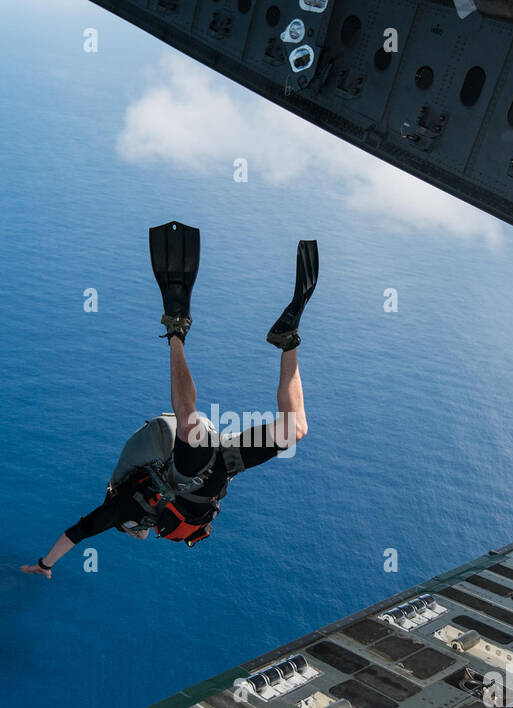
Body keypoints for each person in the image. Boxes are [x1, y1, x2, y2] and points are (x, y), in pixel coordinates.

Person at [21, 222, 318, 578]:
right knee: (295, 428)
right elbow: (78, 534)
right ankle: (288, 339)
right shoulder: (139, 511)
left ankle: (176, 331)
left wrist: (44, 565)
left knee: (190, 419)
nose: (141, 534)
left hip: (190, 471)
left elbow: (77, 533)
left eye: (136, 532)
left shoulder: (123, 508)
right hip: (225, 463)